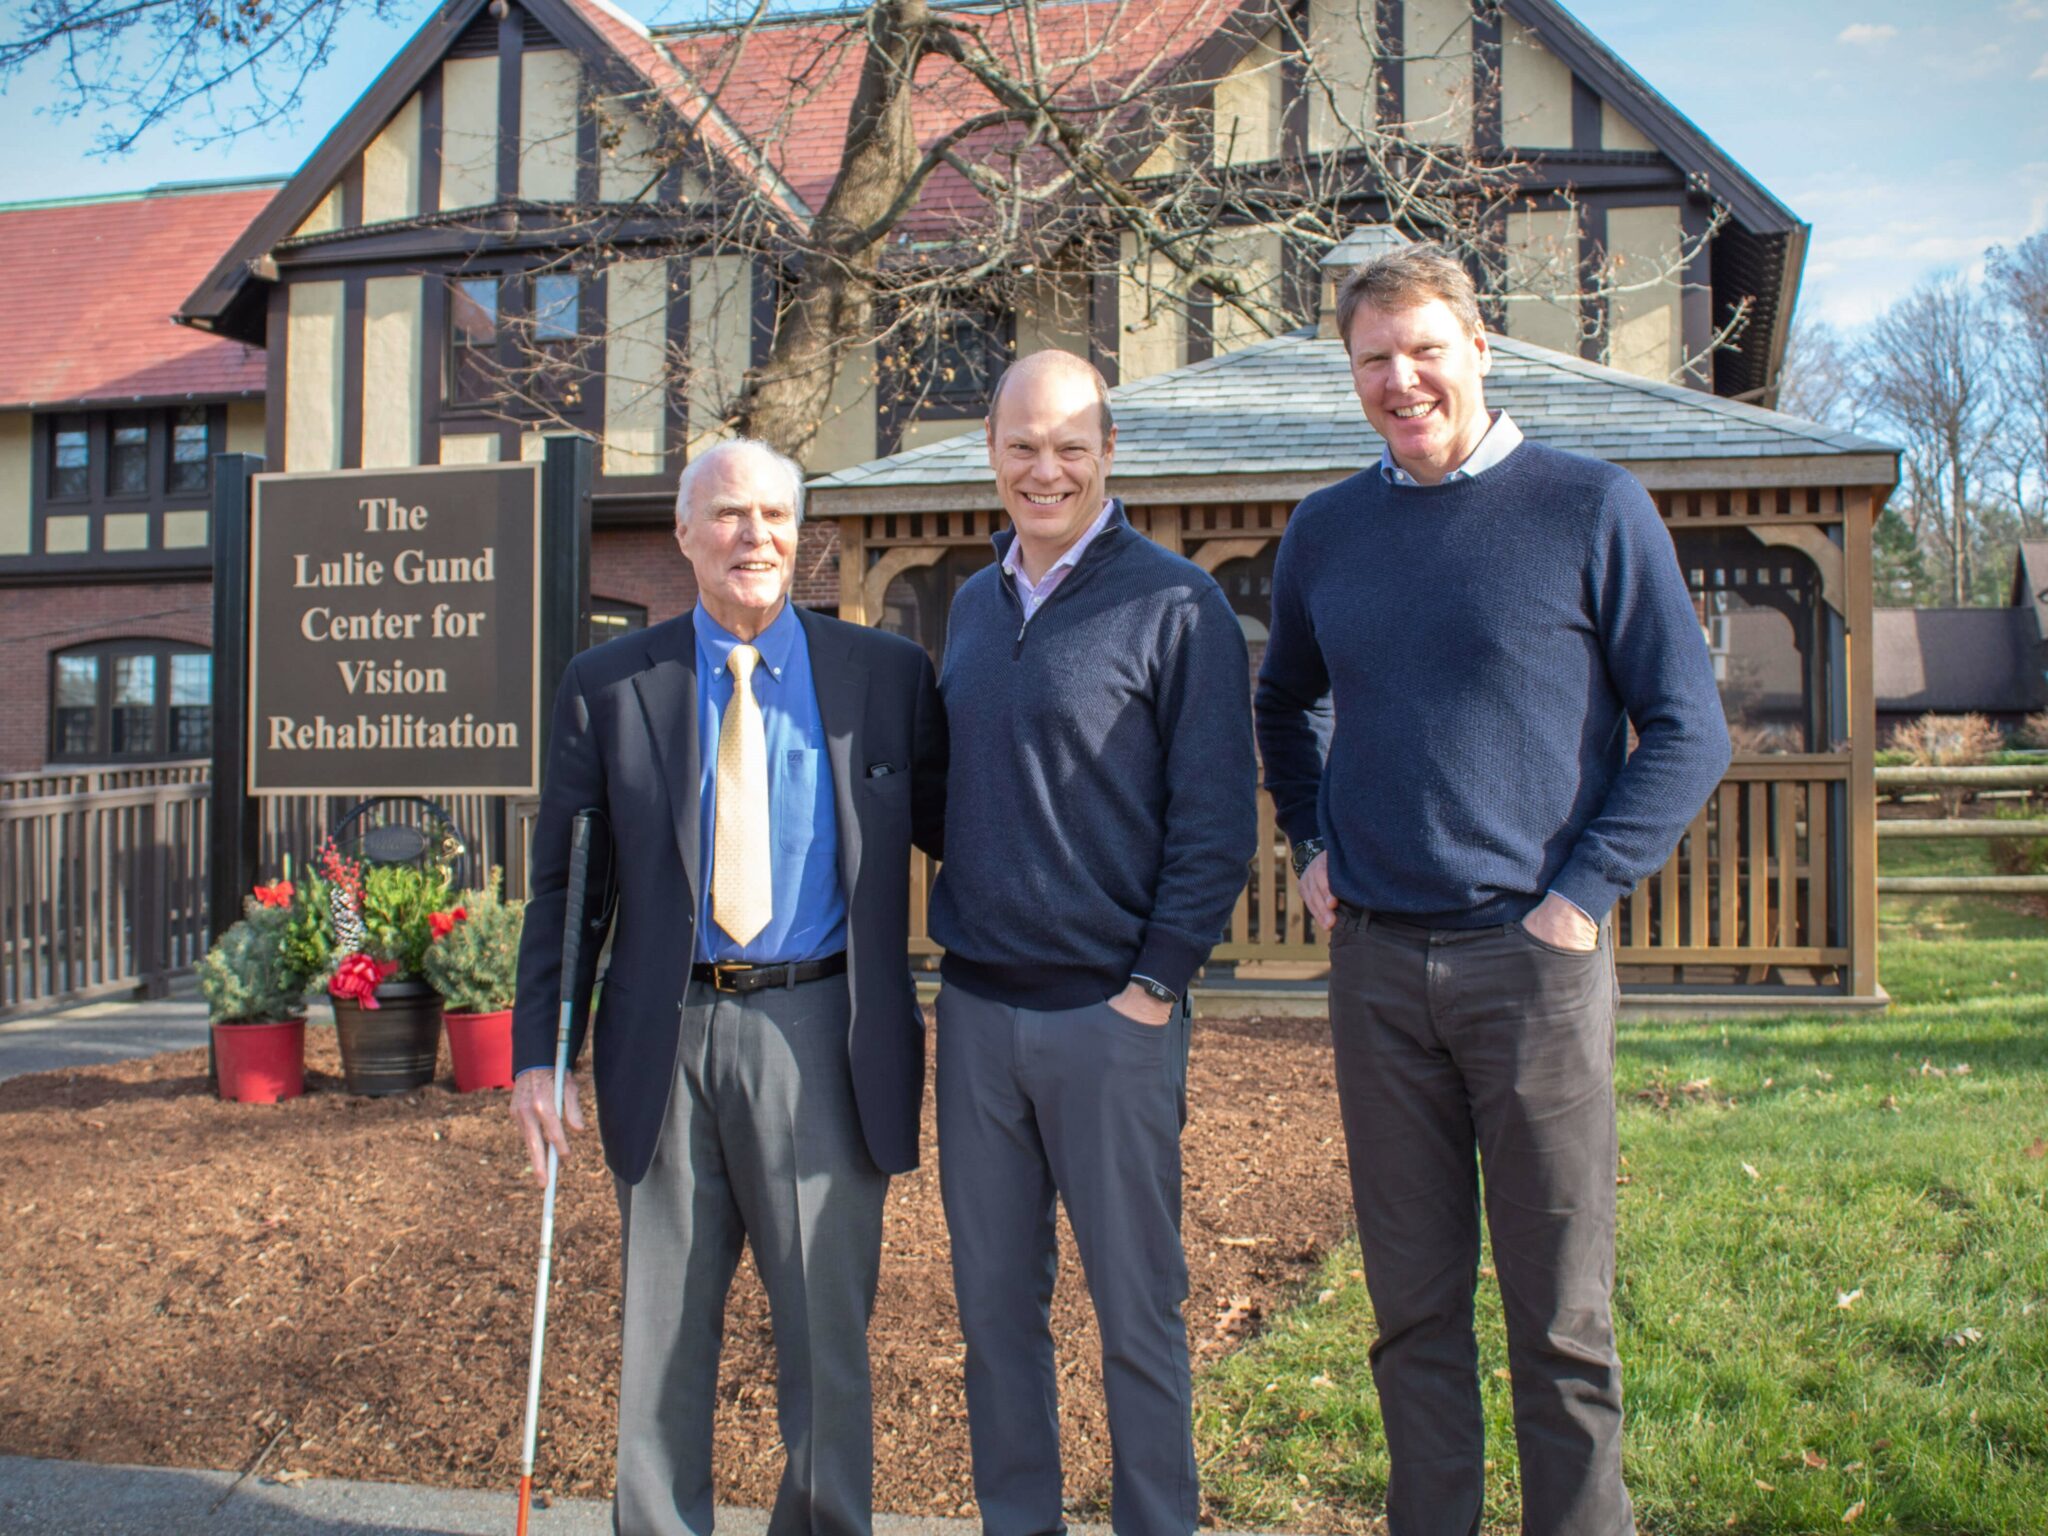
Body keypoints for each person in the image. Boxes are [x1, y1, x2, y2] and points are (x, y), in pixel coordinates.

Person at [1254, 243, 1730, 1536]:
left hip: (1533, 966)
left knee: (1562, 1320)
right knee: (1411, 1317)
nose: (1400, 381)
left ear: (1479, 348)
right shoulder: (1327, 531)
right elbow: (1282, 701)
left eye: (1423, 350)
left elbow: (1690, 729)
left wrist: (1582, 893)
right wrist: (1308, 837)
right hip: (1377, 976)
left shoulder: (1589, 507)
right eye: (1372, 359)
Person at [509, 437, 946, 1536]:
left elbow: (964, 837)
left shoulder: (882, 679)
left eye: (773, 516)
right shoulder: (610, 685)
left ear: (801, 535)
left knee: (825, 1340)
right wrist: (537, 1052)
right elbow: (567, 887)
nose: (753, 537)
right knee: (663, 1333)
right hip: (666, 1030)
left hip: (822, 1033)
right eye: (726, 516)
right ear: (683, 534)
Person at [930, 348, 1257, 1536]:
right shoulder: (969, 604)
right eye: (1021, 445)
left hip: (1109, 1018)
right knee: (993, 1314)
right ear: (990, 454)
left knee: (1137, 1314)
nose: (1044, 467)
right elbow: (947, 790)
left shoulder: (1175, 604)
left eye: (1069, 443)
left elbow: (1215, 818)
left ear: (1108, 452)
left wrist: (1153, 986)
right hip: (973, 1016)